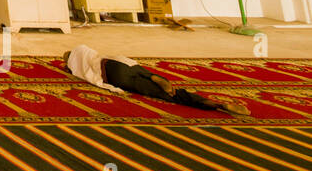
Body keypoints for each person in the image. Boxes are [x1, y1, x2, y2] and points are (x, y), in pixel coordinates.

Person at [61, 45, 246, 115]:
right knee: (141, 73)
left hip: (113, 76)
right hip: (117, 63)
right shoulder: (86, 51)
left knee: (168, 95)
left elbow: (80, 70)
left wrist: (67, 65)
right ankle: (155, 76)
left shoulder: (75, 61)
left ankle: (214, 104)